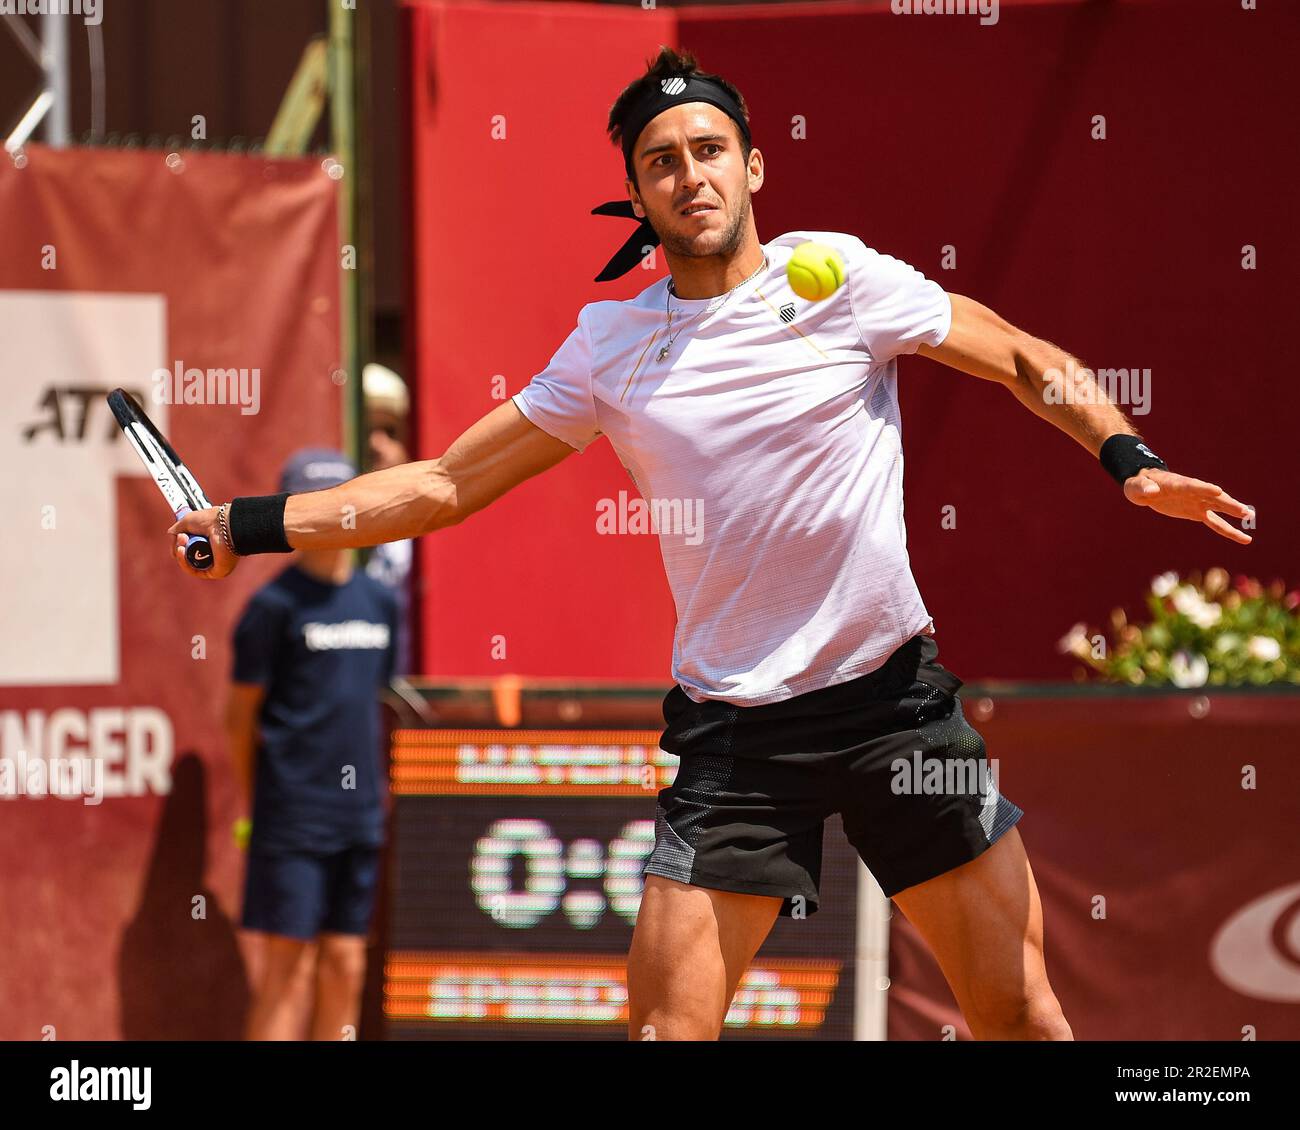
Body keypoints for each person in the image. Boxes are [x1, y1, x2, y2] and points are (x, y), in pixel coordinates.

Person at [176, 47, 1252, 1041]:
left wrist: (1126, 456)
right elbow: (445, 481)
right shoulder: (611, 346)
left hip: (894, 708)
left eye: (707, 151)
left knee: (1020, 1015)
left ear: (751, 166)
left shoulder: (838, 280)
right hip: (733, 742)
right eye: (661, 161)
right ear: (638, 195)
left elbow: (1017, 356)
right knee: (665, 1033)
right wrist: (249, 524)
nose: (689, 174)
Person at [224, 449, 398, 1040]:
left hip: (359, 817)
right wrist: (261, 804)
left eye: (333, 505)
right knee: (286, 971)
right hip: (291, 817)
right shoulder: (270, 609)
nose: (324, 519)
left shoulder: (381, 603)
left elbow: (372, 702)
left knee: (347, 965)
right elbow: (239, 719)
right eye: (307, 508)